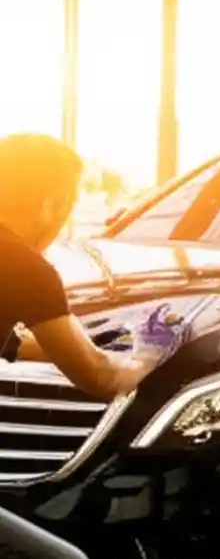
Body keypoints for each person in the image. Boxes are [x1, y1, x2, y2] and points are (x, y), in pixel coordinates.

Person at [0, 134, 173, 400]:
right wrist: (153, 353)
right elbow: (101, 378)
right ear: (52, 203)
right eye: (70, 204)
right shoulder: (27, 268)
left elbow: (16, 344)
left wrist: (105, 346)